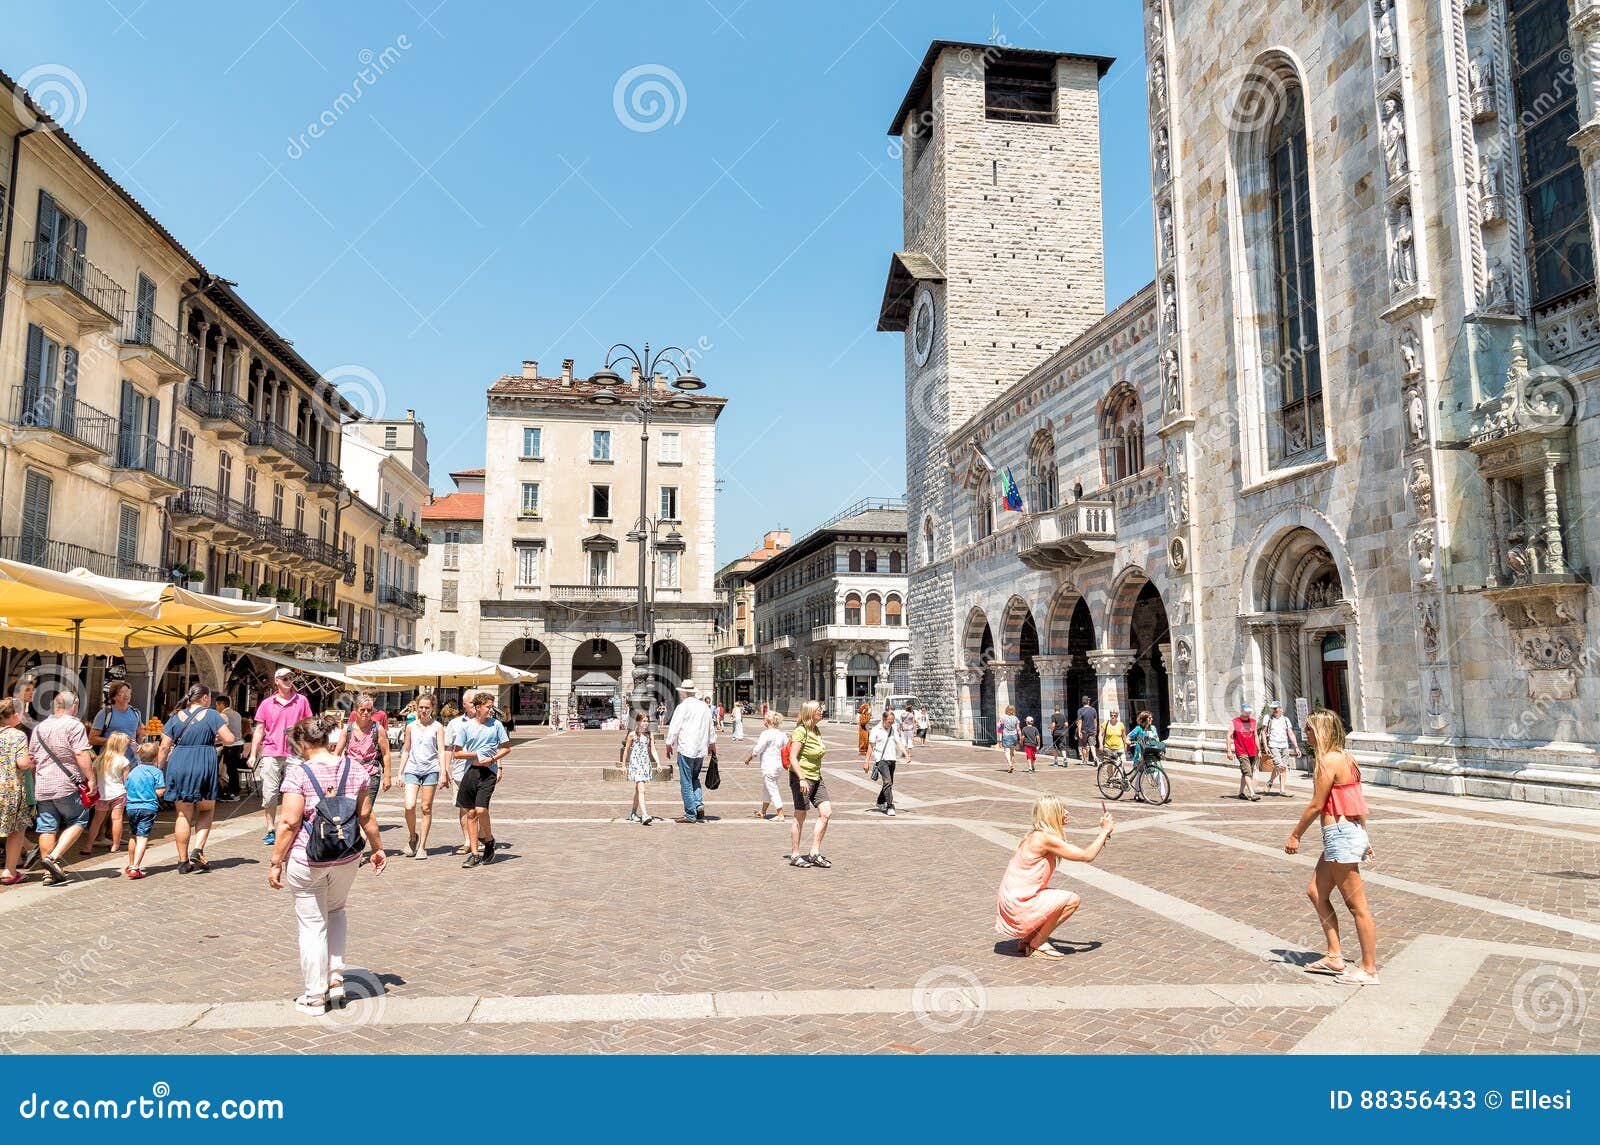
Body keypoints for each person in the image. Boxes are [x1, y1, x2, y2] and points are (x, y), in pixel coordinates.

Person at [268, 714, 388, 1015]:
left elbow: (289, 821)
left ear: (303, 741)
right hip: (347, 855)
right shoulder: (355, 768)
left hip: (308, 857)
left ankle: (314, 995)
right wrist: (378, 848)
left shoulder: (298, 774)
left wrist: (275, 861)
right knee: (336, 912)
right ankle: (335, 979)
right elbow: (366, 816)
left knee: (311, 925)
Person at [1286, 709, 1379, 986]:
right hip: (1345, 833)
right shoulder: (1347, 758)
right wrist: (1364, 834)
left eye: (1310, 729)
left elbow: (1316, 804)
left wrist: (1295, 835)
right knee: (1316, 891)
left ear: (1323, 731)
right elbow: (1356, 799)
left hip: (1340, 834)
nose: (1306, 733)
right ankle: (1334, 955)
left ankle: (1369, 968)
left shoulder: (1328, 761)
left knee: (1357, 906)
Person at [995, 795, 1114, 958]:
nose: (1067, 812)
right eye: (1061, 810)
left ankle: (1028, 940)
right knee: (1072, 900)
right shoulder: (1044, 838)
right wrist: (1105, 830)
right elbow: (1087, 855)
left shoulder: (1037, 835)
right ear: (1052, 814)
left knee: (1054, 901)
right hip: (1018, 903)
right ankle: (1037, 944)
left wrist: (1103, 835)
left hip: (1012, 900)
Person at [159, 682, 235, 874]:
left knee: (183, 814)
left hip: (179, 762)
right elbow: (229, 739)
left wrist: (159, 769)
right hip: (203, 761)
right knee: (206, 809)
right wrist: (213, 738)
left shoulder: (176, 716)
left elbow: (164, 746)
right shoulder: (211, 714)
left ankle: (182, 861)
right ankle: (198, 849)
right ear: (205, 698)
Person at [32, 691, 98, 886]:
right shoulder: (74, 725)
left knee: (47, 827)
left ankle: (48, 873)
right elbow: (81, 754)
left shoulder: (39, 727)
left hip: (43, 784)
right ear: (75, 705)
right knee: (79, 818)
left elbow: (33, 759)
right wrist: (91, 779)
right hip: (66, 784)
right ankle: (53, 859)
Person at [250, 668, 313, 846]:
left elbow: (309, 726)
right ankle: (270, 828)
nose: (288, 680)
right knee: (269, 794)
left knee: (294, 791)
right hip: (271, 752)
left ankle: (292, 825)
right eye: (285, 678)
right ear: (277, 681)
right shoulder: (267, 704)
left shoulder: (301, 701)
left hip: (295, 753)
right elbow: (259, 730)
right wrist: (253, 754)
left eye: (291, 678)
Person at [452, 691, 510, 866]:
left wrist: (492, 759)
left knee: (481, 810)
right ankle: (475, 853)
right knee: (470, 812)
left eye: (491, 707)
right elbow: (457, 752)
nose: (491, 710)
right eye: (488, 707)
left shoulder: (497, 725)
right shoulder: (466, 727)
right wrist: (476, 754)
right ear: (477, 707)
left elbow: (506, 748)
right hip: (470, 771)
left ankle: (489, 839)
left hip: (488, 773)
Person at [399, 694, 447, 858]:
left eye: (427, 707)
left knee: (425, 808)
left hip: (430, 769)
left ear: (432, 708)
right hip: (412, 768)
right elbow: (405, 749)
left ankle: (422, 846)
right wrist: (399, 772)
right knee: (409, 805)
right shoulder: (411, 726)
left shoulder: (438, 727)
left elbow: (441, 751)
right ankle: (413, 836)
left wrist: (443, 773)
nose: (424, 710)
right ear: (416, 707)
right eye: (421, 707)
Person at [787, 700, 833, 867]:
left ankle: (814, 852)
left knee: (826, 812)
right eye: (818, 710)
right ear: (810, 713)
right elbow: (792, 757)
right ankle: (795, 854)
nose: (822, 711)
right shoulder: (801, 731)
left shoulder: (816, 730)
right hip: (801, 778)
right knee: (800, 815)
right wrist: (801, 778)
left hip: (816, 777)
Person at [666, 681, 715, 824]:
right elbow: (710, 727)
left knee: (686, 781)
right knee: (695, 777)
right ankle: (699, 804)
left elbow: (675, 727)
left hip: (686, 748)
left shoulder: (682, 707)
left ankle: (690, 813)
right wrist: (712, 745)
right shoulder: (704, 707)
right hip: (700, 749)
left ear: (683, 693)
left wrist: (669, 743)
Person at [334, 693, 392, 812]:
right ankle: (355, 830)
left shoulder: (377, 729)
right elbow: (337, 754)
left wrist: (388, 777)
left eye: (369, 710)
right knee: (350, 810)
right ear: (355, 710)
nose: (366, 713)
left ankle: (361, 830)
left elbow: (386, 753)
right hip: (350, 775)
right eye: (362, 710)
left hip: (371, 774)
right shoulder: (347, 730)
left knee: (365, 811)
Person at [81, 731, 131, 856]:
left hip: (102, 794)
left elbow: (94, 778)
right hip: (119, 793)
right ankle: (115, 845)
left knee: (97, 821)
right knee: (117, 819)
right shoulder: (124, 761)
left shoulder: (99, 760)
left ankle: (88, 846)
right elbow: (126, 781)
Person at [0, 698, 33, 885]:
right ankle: (9, 871)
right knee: (16, 830)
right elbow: (22, 763)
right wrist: (29, 762)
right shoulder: (17, 735)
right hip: (9, 788)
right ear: (13, 716)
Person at [122, 741, 165, 879]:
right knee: (142, 837)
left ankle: (130, 863)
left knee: (133, 835)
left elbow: (127, 787)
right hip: (148, 807)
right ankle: (135, 867)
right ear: (155, 757)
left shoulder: (134, 771)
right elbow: (160, 791)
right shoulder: (156, 772)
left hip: (131, 807)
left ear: (139, 756)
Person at [743, 710, 788, 822]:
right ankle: (763, 811)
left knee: (772, 789)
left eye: (764, 718)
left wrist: (749, 758)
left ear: (768, 720)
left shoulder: (766, 734)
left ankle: (780, 813)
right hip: (778, 766)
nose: (763, 720)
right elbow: (787, 747)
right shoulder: (782, 734)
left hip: (769, 765)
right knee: (767, 788)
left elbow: (758, 748)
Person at [864, 709, 905, 816]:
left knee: (889, 783)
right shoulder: (876, 730)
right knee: (887, 782)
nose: (891, 723)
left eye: (892, 721)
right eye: (889, 721)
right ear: (883, 720)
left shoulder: (893, 728)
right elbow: (870, 746)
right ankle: (890, 806)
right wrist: (866, 761)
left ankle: (880, 801)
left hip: (892, 759)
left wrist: (906, 753)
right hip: (881, 760)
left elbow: (898, 742)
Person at [621, 711, 658, 826]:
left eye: (647, 721)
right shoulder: (632, 734)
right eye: (643, 721)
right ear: (638, 722)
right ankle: (645, 815)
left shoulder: (649, 735)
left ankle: (633, 813)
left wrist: (658, 763)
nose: (646, 723)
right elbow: (626, 750)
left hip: (645, 764)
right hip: (635, 764)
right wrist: (623, 765)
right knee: (642, 789)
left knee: (638, 791)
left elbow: (653, 749)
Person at [1263, 699, 1302, 797]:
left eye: (1276, 708)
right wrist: (1265, 746)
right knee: (1280, 766)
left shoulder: (1286, 720)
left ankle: (1276, 786)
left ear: (1281, 709)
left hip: (1284, 746)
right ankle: (1278, 787)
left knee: (1283, 768)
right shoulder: (1268, 718)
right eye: (1273, 709)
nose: (1275, 710)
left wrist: (1296, 747)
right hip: (1273, 745)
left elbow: (1291, 733)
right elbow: (1263, 732)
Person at [88, 681, 143, 749]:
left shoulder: (136, 713)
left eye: (128, 692)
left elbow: (139, 734)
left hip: (133, 759)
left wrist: (139, 750)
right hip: (112, 758)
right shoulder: (104, 713)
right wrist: (118, 742)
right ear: (114, 697)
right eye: (122, 692)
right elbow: (92, 739)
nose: (126, 695)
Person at [1227, 701, 1262, 801]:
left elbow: (1255, 736)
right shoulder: (1235, 722)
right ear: (1241, 711)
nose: (1248, 714)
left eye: (1249, 712)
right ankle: (1252, 793)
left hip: (1252, 751)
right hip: (1241, 751)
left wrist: (1259, 750)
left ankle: (1241, 792)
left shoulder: (1253, 722)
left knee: (1246, 772)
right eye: (1246, 712)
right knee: (1247, 772)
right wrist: (1229, 751)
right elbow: (1229, 736)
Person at [213, 694, 245, 802]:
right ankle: (233, 791)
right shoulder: (237, 714)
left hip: (230, 745)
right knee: (233, 770)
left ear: (222, 704)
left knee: (231, 770)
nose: (216, 707)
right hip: (239, 744)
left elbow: (221, 731)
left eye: (217, 704)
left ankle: (233, 793)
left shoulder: (223, 715)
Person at [1075, 696, 1100, 768]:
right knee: (1092, 745)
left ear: (1082, 702)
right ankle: (1095, 757)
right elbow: (1095, 721)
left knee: (1084, 746)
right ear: (1088, 702)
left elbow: (1080, 722)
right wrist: (1095, 729)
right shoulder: (1093, 710)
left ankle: (1085, 760)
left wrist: (1079, 731)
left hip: (1084, 731)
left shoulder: (1080, 710)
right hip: (1092, 730)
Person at [997, 704, 1022, 773]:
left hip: (1006, 735)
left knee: (1006, 751)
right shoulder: (1015, 718)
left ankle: (1010, 764)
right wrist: (1020, 737)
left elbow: (1001, 728)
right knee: (1012, 751)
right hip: (1014, 735)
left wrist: (999, 738)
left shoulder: (1003, 717)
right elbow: (1018, 728)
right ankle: (1012, 764)